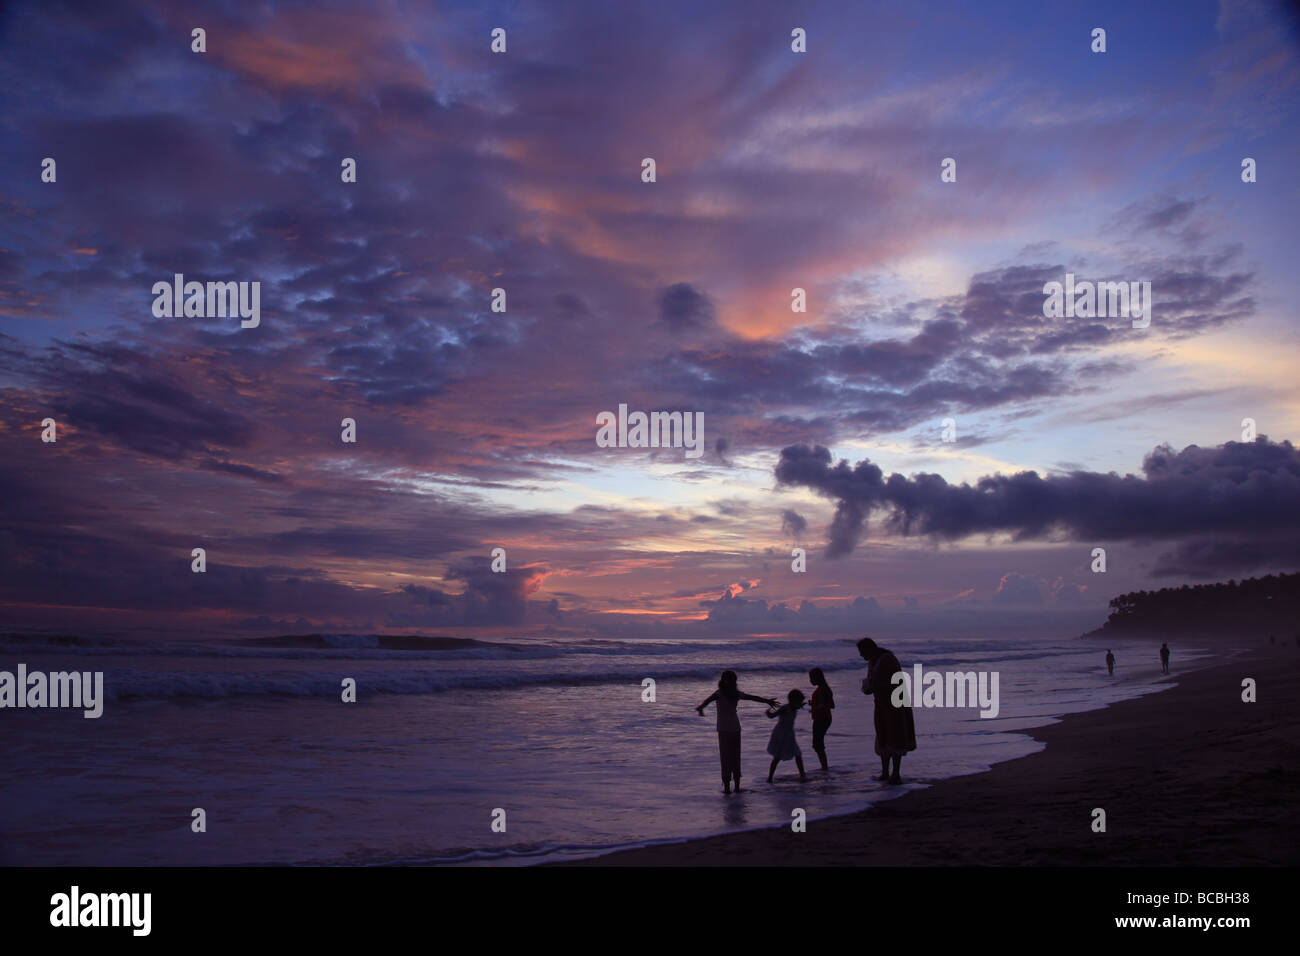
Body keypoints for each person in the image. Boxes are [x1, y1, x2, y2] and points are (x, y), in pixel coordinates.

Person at [697, 671, 777, 794]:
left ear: (722, 681)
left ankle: (728, 788)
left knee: (725, 758)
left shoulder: (719, 693)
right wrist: (767, 701)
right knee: (735, 757)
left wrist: (701, 709)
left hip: (724, 729)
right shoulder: (735, 693)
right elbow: (752, 698)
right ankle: (737, 787)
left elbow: (706, 702)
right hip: (735, 728)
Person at [857, 637, 916, 785]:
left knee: (895, 737)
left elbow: (895, 683)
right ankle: (885, 772)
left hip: (895, 704)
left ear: (869, 649)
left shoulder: (888, 660)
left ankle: (895, 773)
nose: (861, 655)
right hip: (881, 705)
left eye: (862, 652)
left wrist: (875, 687)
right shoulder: (873, 662)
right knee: (883, 736)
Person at [765, 689, 808, 783]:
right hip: (781, 734)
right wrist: (768, 712)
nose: (799, 704)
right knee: (777, 756)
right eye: (798, 701)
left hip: (789, 734)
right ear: (792, 701)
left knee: (798, 754)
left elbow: (801, 705)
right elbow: (772, 716)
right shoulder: (785, 708)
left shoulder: (795, 707)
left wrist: (807, 704)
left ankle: (802, 775)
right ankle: (770, 777)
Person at [808, 668, 835, 770]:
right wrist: (813, 704)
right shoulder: (823, 688)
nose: (810, 681)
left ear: (817, 678)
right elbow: (828, 704)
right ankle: (824, 766)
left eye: (811, 678)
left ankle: (824, 766)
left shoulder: (822, 689)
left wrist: (815, 708)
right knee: (817, 743)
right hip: (823, 718)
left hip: (822, 719)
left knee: (817, 744)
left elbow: (829, 705)